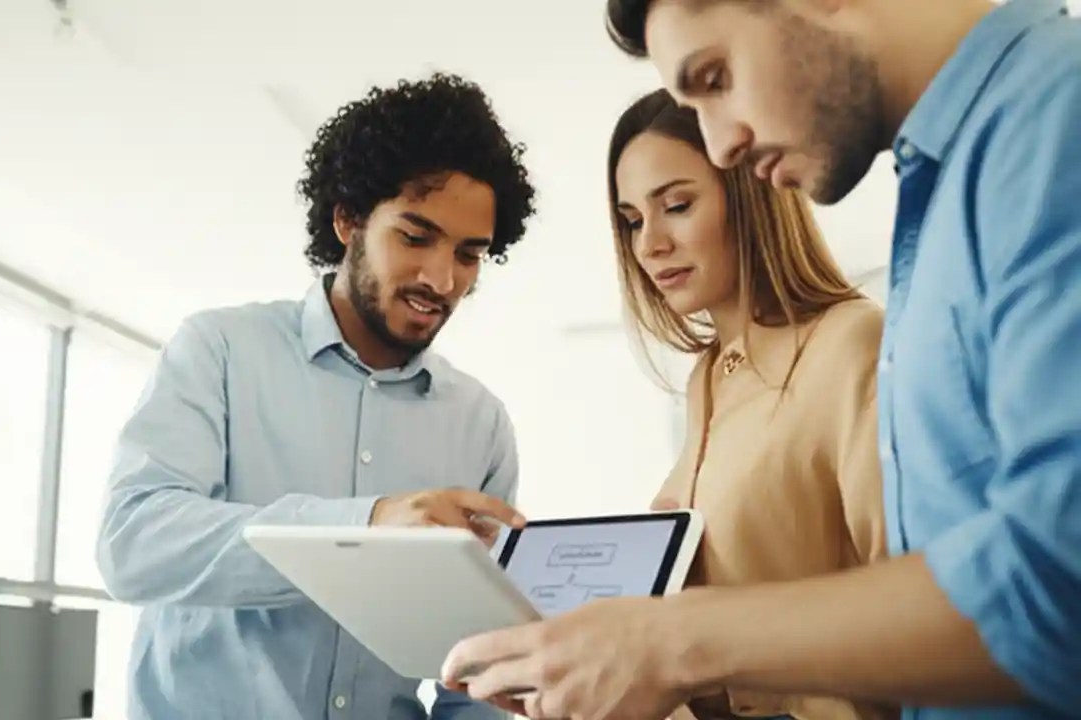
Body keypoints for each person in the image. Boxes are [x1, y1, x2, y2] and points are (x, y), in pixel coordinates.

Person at [442, 1, 1081, 718]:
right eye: (630, 222)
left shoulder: (1052, 118)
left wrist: (671, 643)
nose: (721, 145)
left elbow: (1056, 582)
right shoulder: (939, 195)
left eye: (715, 77)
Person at [97, 72, 536, 720]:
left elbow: (473, 665)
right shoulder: (220, 351)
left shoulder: (480, 426)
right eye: (415, 238)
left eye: (469, 255)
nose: (442, 280)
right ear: (348, 220)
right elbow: (132, 545)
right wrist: (368, 525)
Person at [608, 88, 892, 720]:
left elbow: (915, 599)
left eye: (676, 205)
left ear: (749, 194)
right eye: (632, 221)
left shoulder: (850, 343)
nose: (649, 243)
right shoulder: (705, 380)